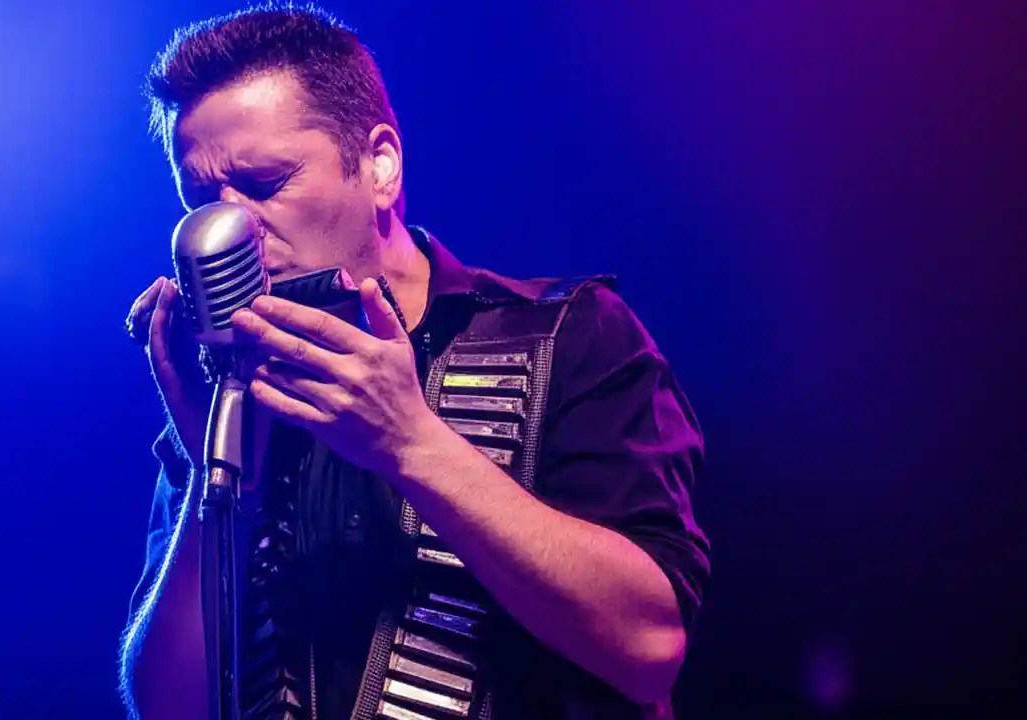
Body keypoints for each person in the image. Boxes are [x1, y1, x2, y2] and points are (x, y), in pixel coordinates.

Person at [119, 6, 709, 720]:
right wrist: (219, 484)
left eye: (266, 183)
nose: (227, 229)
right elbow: (167, 710)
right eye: (201, 201)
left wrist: (410, 443)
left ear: (380, 167)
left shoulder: (572, 333)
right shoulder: (229, 398)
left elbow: (648, 647)